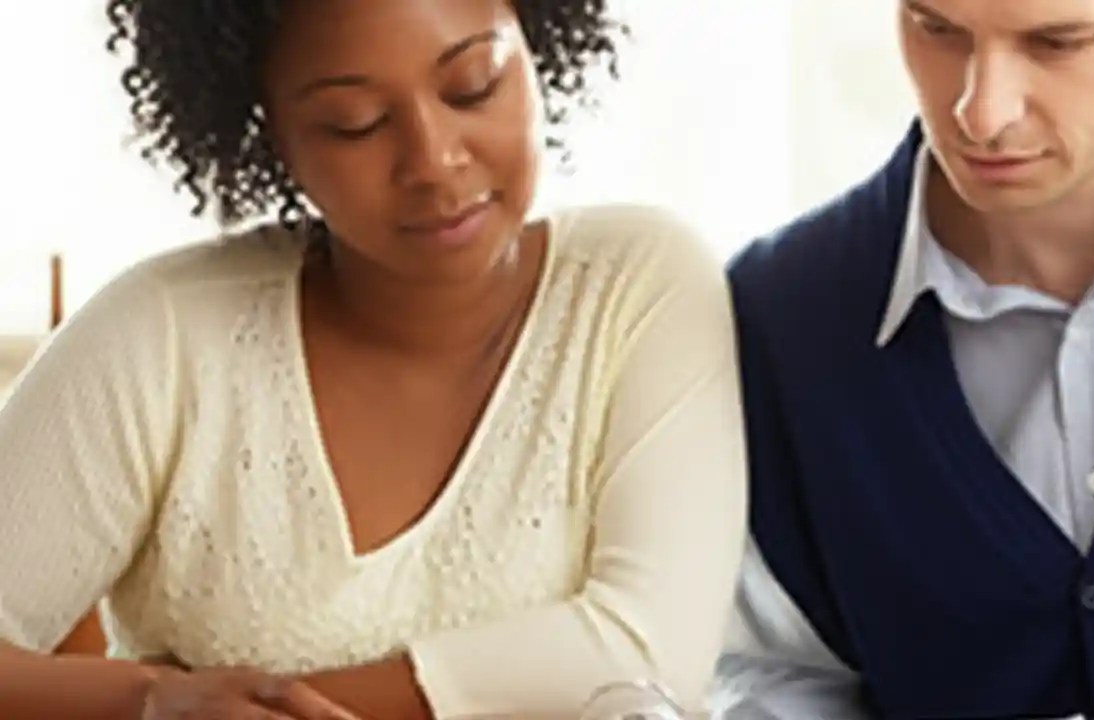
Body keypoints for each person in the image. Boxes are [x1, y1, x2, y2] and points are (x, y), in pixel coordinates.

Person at [0, 1, 747, 718]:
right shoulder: (159, 338)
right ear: (270, 137)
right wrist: (147, 701)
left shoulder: (638, 284)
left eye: (474, 85)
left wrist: (251, 707)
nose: (434, 160)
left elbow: (647, 652)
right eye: (353, 125)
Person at [718, 0, 1094, 718]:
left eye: (1058, 42)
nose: (980, 113)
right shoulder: (780, 318)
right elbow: (777, 681)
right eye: (936, 28)